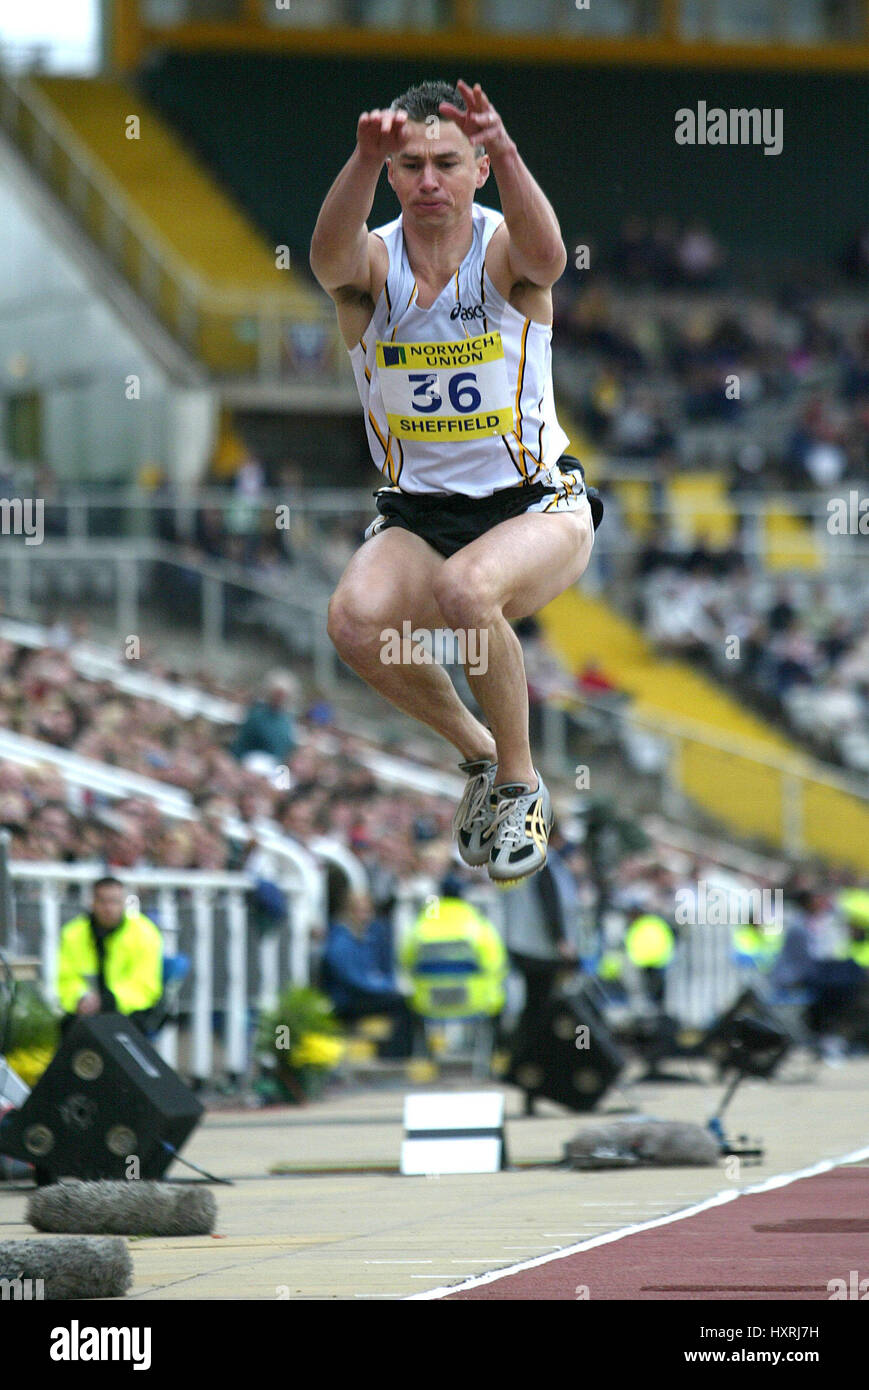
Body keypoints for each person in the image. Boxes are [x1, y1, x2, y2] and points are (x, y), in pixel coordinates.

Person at [311, 79, 602, 888]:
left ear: (477, 167)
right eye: (409, 166)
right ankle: (477, 754)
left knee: (465, 591)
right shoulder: (372, 264)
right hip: (418, 509)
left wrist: (508, 147)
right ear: (392, 176)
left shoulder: (503, 249)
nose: (428, 181)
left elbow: (547, 260)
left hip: (535, 501)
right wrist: (362, 157)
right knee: (354, 623)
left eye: (446, 162)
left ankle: (520, 784)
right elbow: (327, 260)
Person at [57, 877, 163, 1038]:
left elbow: (144, 986)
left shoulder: (145, 934)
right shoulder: (73, 934)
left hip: (129, 1012)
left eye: (114, 901)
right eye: (102, 901)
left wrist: (107, 1001)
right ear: (92, 902)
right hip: (84, 1012)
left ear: (124, 903)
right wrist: (81, 998)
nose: (108, 908)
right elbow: (66, 979)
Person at [321, 878, 414, 1058]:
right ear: (347, 910)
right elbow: (351, 979)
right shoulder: (340, 940)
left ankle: (399, 1055)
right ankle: (395, 1058)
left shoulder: (367, 935)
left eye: (366, 910)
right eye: (358, 910)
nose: (364, 915)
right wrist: (385, 987)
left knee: (406, 1002)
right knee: (401, 1004)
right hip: (345, 1001)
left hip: (360, 996)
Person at [231, 671, 299, 765]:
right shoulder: (257, 714)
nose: (280, 698)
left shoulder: (287, 720)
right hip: (251, 760)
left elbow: (286, 746)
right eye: (278, 694)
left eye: (283, 695)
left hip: (275, 765)